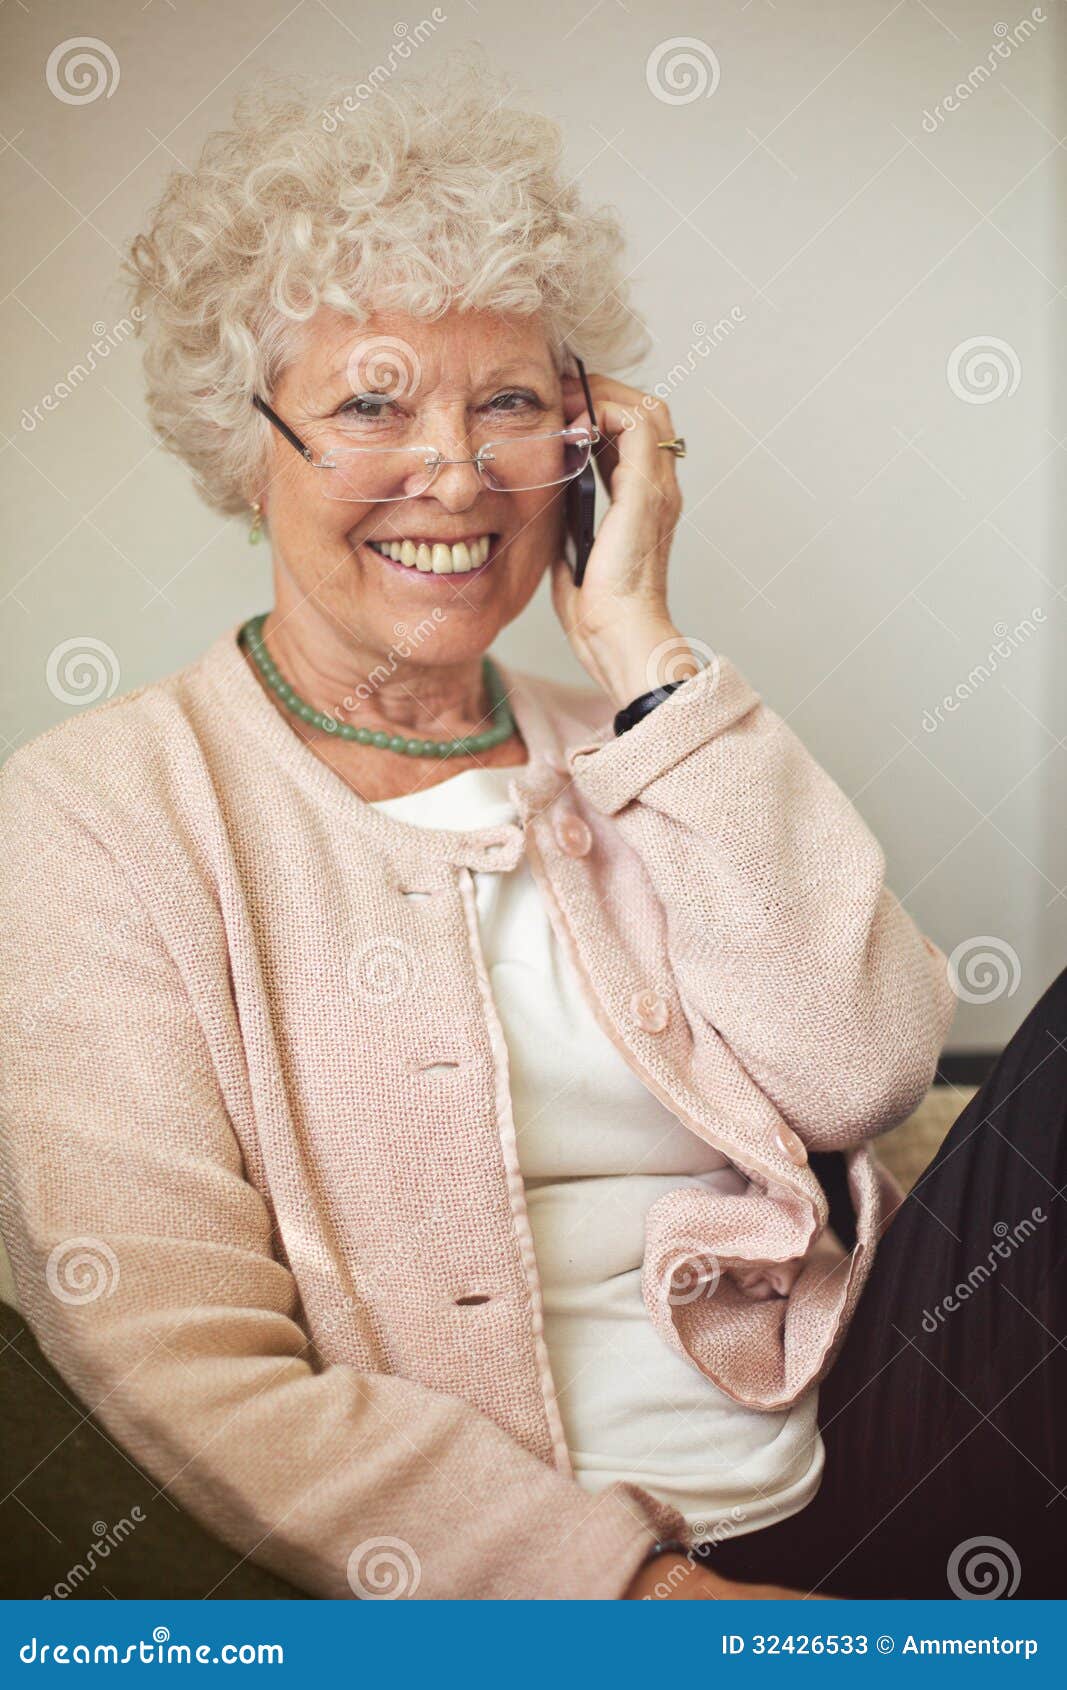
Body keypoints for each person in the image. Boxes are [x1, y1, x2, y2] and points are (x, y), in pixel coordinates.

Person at [3, 53, 1056, 1602]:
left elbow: (866, 1072)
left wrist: (640, 645)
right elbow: (184, 1356)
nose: (459, 469)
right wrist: (634, 1605)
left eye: (511, 403)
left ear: (589, 445)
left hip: (865, 1453)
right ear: (247, 449)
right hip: (548, 1585)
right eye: (372, 401)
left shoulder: (645, 740)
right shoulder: (96, 813)